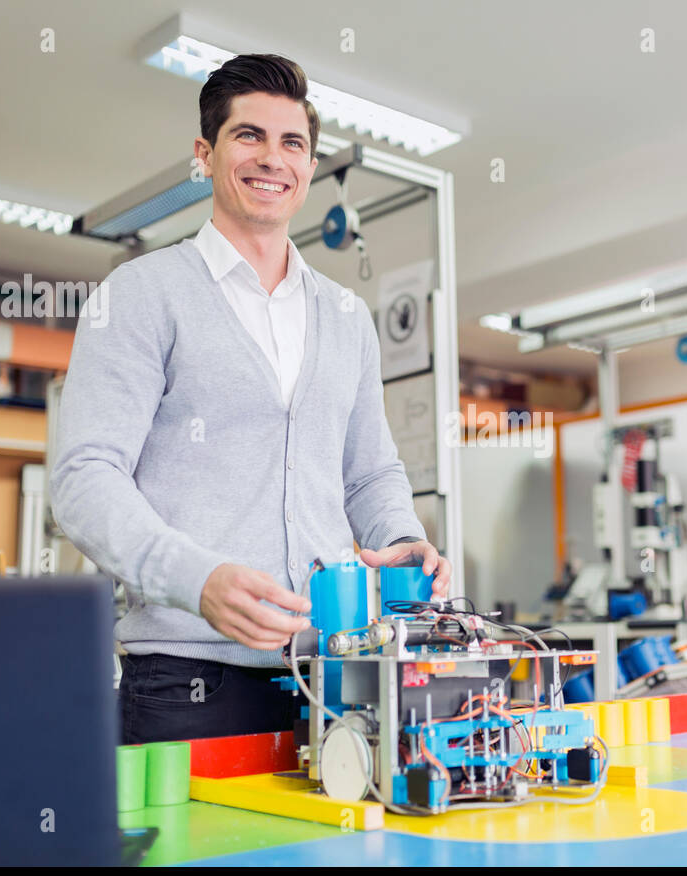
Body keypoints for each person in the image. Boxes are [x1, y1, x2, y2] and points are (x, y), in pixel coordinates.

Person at [50, 53, 451, 744]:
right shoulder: (141, 295)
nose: (273, 158)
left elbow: (370, 473)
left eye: (292, 142)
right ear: (204, 155)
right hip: (186, 683)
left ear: (310, 166)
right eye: (249, 136)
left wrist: (403, 539)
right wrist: (196, 578)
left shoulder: (348, 317)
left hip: (335, 680)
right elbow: (84, 479)